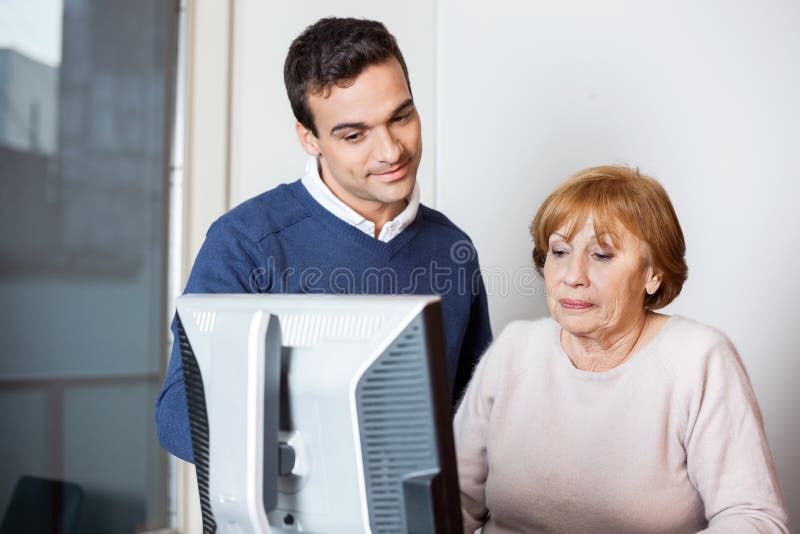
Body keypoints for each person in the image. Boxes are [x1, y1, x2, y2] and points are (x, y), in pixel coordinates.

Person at [156, 17, 492, 463]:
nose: (391, 151)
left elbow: (474, 418)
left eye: (401, 117)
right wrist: (307, 458)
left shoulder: (453, 250)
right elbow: (178, 413)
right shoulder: (246, 242)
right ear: (309, 138)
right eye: (354, 135)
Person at [454, 166, 789, 533]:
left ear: (653, 274)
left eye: (601, 255)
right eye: (560, 251)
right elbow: (452, 505)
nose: (572, 276)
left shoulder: (699, 360)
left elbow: (755, 520)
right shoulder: (513, 350)